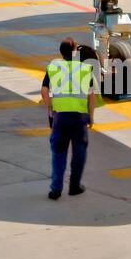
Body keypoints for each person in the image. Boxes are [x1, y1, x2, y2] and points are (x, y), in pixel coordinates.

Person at [40, 37, 97, 200]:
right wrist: (91, 116)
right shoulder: (85, 69)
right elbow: (91, 95)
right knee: (79, 153)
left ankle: (55, 190)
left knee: (58, 153)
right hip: (79, 118)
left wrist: (51, 108)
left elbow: (44, 90)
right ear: (75, 52)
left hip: (60, 118)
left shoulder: (53, 67)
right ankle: (74, 186)